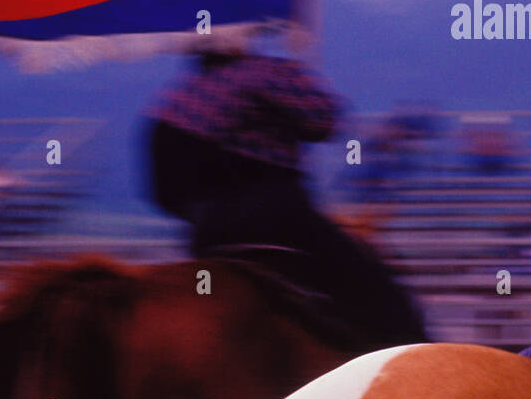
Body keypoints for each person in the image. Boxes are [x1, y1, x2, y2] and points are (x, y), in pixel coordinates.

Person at [145, 32, 426, 349]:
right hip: (278, 215)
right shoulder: (266, 71)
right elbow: (325, 121)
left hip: (206, 234)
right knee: (369, 278)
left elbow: (161, 194)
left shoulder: (171, 101)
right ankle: (409, 349)